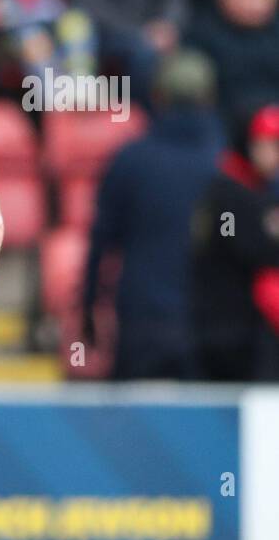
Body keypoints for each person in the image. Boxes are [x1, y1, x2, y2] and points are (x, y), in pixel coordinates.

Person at [83, 51, 222, 380]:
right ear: (209, 98)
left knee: (133, 426)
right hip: (209, 324)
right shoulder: (224, 164)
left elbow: (101, 241)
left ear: (158, 97)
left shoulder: (130, 159)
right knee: (206, 428)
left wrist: (88, 310)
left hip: (140, 314)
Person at [190, 102, 279, 380]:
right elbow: (236, 242)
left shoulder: (253, 189)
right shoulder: (228, 190)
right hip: (224, 332)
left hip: (237, 329)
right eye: (270, 144)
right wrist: (266, 233)